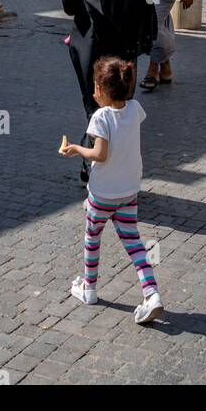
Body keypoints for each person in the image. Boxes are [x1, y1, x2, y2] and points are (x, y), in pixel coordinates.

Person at [60, 55, 164, 325]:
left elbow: (100, 154)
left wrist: (75, 149)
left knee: (92, 238)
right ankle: (151, 293)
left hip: (103, 193)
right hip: (128, 191)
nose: (93, 91)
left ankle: (89, 288)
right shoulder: (136, 108)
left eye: (95, 86)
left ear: (102, 91)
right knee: (134, 244)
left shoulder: (100, 117)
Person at [62, 0, 156, 183]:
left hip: (92, 44)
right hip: (124, 50)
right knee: (116, 107)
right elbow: (150, 5)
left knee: (96, 105)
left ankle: (94, 165)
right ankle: (102, 164)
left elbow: (68, 1)